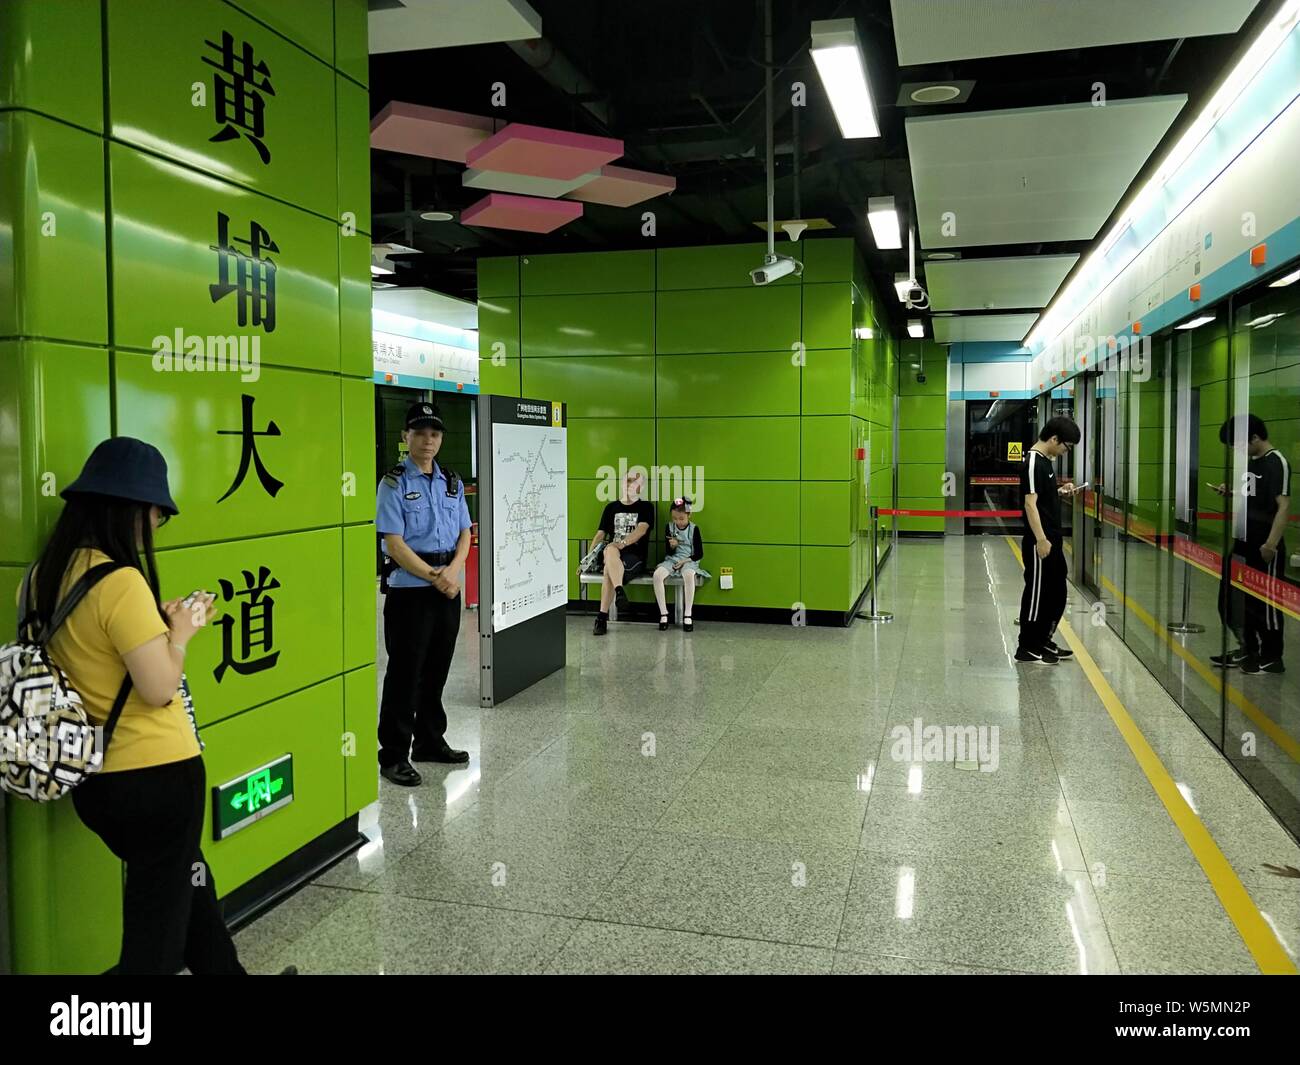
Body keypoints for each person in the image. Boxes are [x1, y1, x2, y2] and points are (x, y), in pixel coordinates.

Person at [28, 437, 254, 974]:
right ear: (131, 508)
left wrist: (155, 622)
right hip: (155, 779)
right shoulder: (121, 581)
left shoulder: (42, 577)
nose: (157, 524)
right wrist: (180, 632)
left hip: (92, 778)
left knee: (190, 887)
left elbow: (93, 658)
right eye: (157, 512)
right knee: (155, 937)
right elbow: (158, 688)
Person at [375, 401, 472, 787]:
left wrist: (452, 572)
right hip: (411, 592)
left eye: (434, 434)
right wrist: (436, 576)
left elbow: (466, 532)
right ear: (405, 437)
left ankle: (430, 741)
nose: (427, 441)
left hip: (446, 588)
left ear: (441, 439)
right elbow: (394, 543)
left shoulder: (451, 481)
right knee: (405, 674)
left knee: (436, 670)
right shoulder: (394, 483)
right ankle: (394, 754)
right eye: (419, 433)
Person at [1211, 414, 1289, 674]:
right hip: (1243, 540)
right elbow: (1252, 494)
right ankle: (1248, 647)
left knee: (1265, 603)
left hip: (1265, 544)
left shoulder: (1276, 463)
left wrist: (1270, 544)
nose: (1237, 450)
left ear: (1255, 437)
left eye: (1240, 444)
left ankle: (1271, 655)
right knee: (1232, 598)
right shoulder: (1251, 463)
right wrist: (1230, 491)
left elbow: (1283, 506)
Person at [1016, 416, 1083, 664]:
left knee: (1056, 591)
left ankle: (1044, 637)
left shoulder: (1045, 462)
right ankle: (1028, 645)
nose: (1065, 451)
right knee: (1037, 592)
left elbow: (1041, 498)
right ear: (1054, 439)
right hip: (1040, 541)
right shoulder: (1034, 462)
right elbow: (1029, 504)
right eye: (1066, 446)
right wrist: (1041, 539)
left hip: (1052, 539)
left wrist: (1059, 491)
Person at [584, 469, 655, 635]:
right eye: (628, 481)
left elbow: (641, 530)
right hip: (613, 555)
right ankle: (619, 591)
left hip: (634, 558)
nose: (630, 485)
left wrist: (621, 544)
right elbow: (600, 535)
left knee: (609, 567)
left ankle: (601, 618)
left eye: (635, 483)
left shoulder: (646, 507)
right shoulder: (611, 508)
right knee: (609, 551)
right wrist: (586, 561)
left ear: (640, 487)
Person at [653, 497, 705, 632]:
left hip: (689, 560)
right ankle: (663, 614)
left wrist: (684, 561)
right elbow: (668, 551)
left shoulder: (694, 529)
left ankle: (688, 614)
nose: (678, 522)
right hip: (673, 559)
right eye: (675, 518)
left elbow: (699, 554)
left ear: (689, 515)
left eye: (681, 519)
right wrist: (672, 546)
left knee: (688, 575)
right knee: (657, 575)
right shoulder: (669, 527)